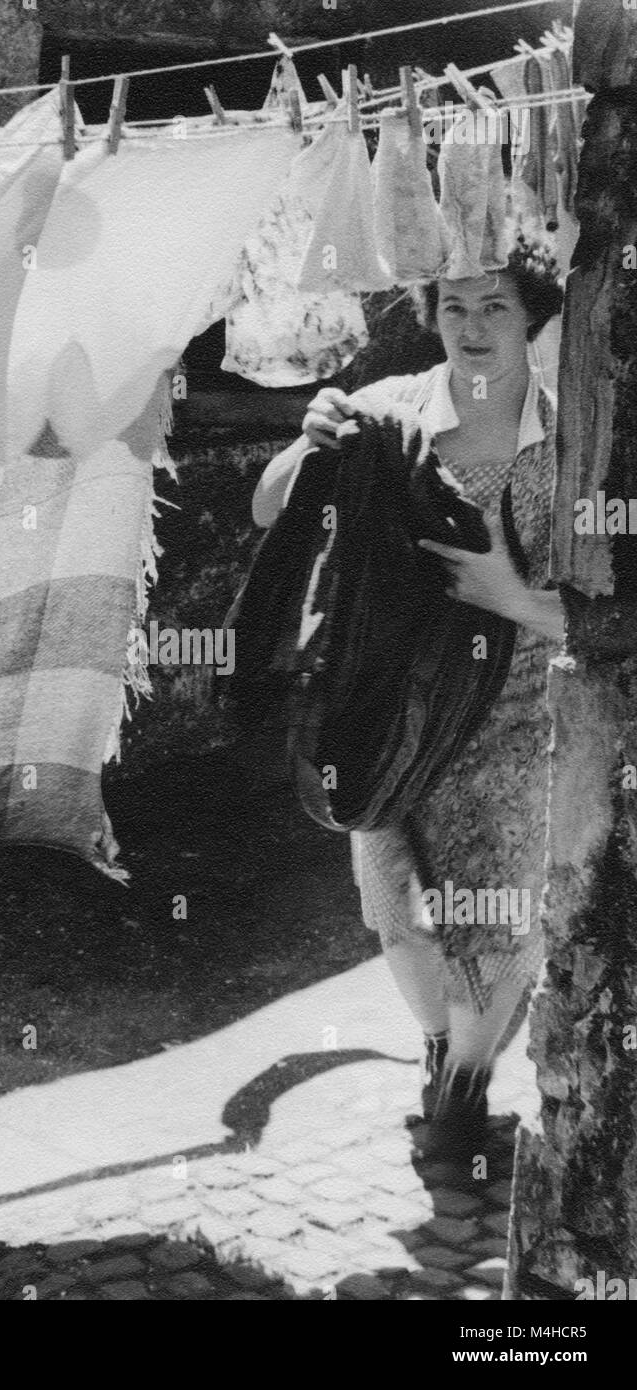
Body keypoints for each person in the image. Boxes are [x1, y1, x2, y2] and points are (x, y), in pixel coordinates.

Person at [251, 234, 566, 1157]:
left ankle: (462, 1092)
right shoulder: (387, 414)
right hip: (384, 710)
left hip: (514, 719)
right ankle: (442, 1049)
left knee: (499, 920)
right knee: (397, 910)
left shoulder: (573, 444)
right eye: (455, 307)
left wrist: (508, 594)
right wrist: (305, 446)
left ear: (533, 320)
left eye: (495, 307)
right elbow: (273, 507)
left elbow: (608, 616)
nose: (471, 327)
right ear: (430, 317)